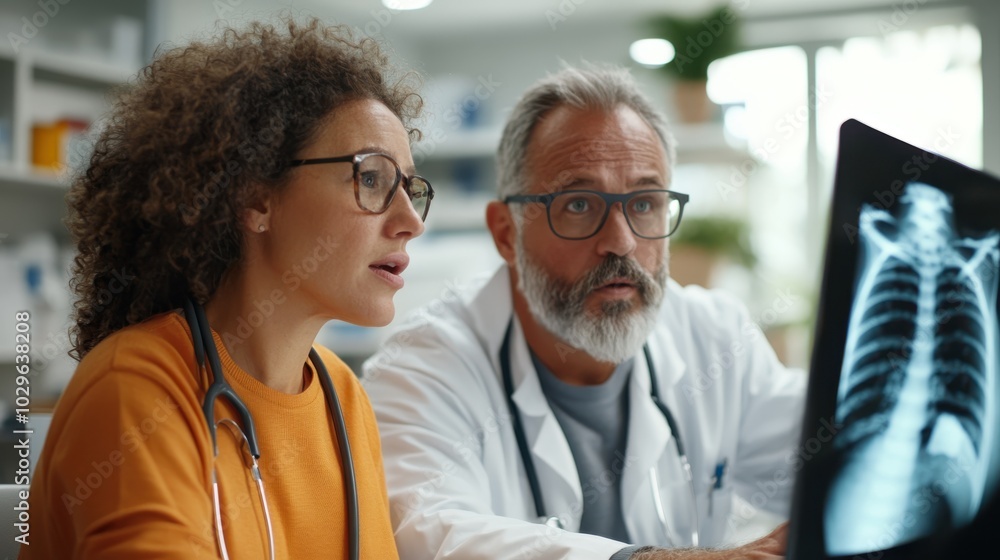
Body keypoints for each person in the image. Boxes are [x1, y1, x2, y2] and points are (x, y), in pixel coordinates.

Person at [21, 19, 432, 560]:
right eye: (373, 178)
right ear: (256, 200)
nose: (410, 221)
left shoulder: (342, 397)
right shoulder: (140, 387)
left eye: (410, 187)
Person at [363, 65, 805, 560]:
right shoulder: (422, 369)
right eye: (578, 204)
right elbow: (427, 536)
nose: (620, 242)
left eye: (644, 203)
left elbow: (838, 454)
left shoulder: (714, 336)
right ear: (507, 233)